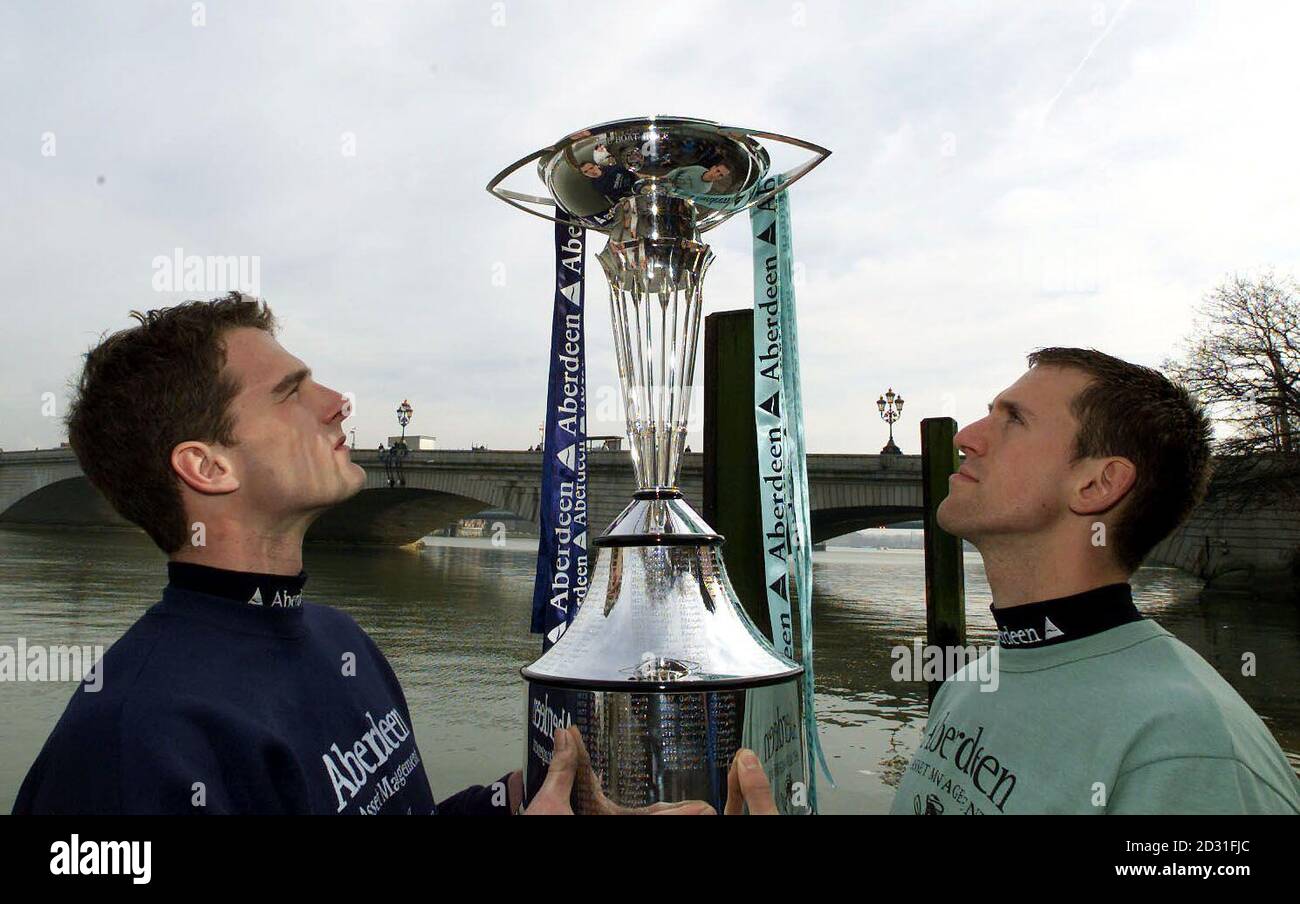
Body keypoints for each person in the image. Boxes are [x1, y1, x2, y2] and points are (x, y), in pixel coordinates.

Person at [12, 292, 713, 816]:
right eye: (291, 393)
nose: (338, 403)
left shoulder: (338, 638)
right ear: (209, 466)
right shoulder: (136, 742)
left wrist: (521, 797)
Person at [730, 347, 1300, 815]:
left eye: (1014, 420)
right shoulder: (969, 684)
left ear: (1098, 485)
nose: (967, 437)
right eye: (988, 412)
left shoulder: (1190, 751)